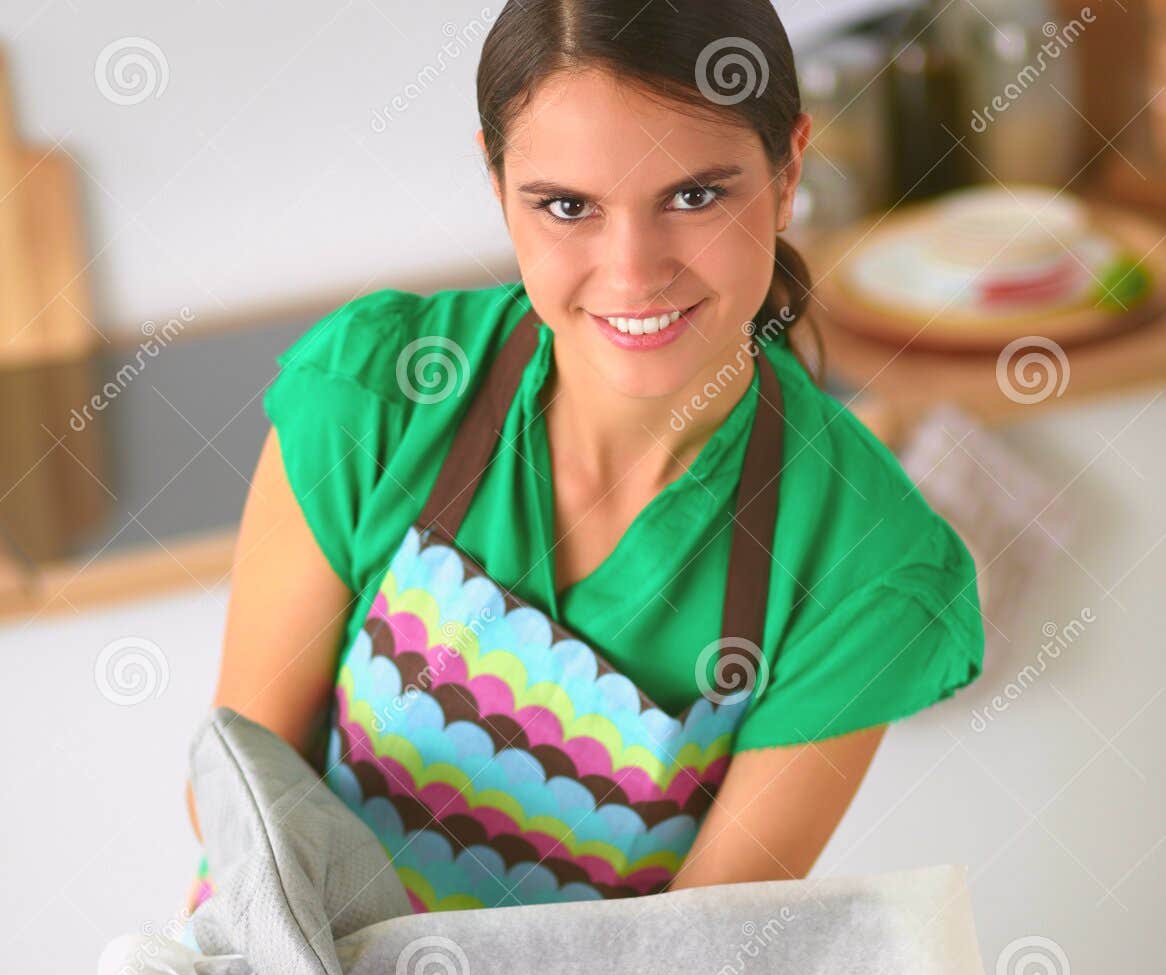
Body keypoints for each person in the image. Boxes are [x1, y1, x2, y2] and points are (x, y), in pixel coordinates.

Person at [186, 0, 983, 920]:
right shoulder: (374, 397)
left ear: (790, 166)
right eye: (569, 207)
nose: (634, 271)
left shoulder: (867, 563)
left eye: (695, 195)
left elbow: (700, 947)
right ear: (497, 186)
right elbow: (237, 794)